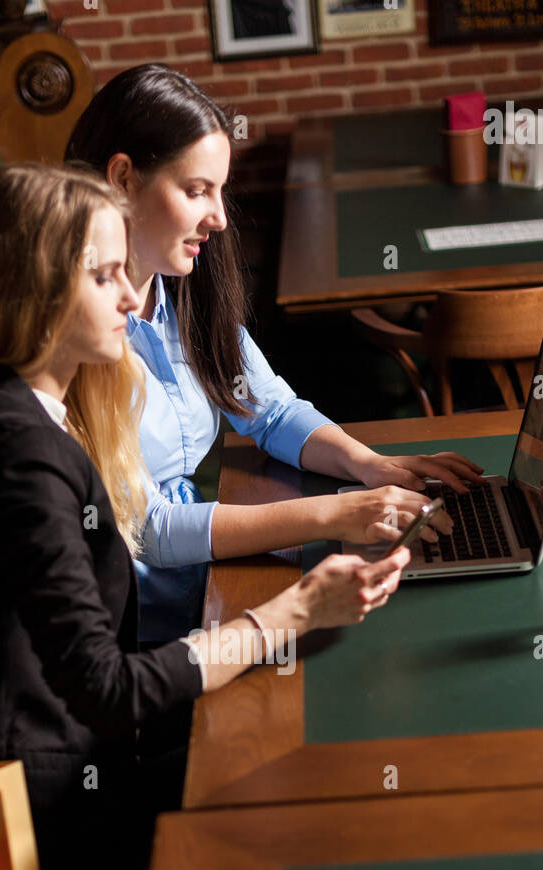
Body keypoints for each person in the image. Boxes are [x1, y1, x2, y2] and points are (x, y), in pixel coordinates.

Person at [0, 162, 410, 870]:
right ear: (37, 293)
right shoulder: (18, 454)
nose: (133, 300)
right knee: (321, 787)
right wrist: (289, 616)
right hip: (40, 818)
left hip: (60, 770)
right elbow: (110, 690)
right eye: (104, 278)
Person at [66, 64, 483, 645]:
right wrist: (336, 513)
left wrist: (372, 467)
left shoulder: (183, 288)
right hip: (138, 631)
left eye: (220, 190)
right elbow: (145, 529)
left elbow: (271, 412)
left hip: (207, 585)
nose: (219, 217)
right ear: (123, 179)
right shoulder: (76, 335)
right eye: (196, 190)